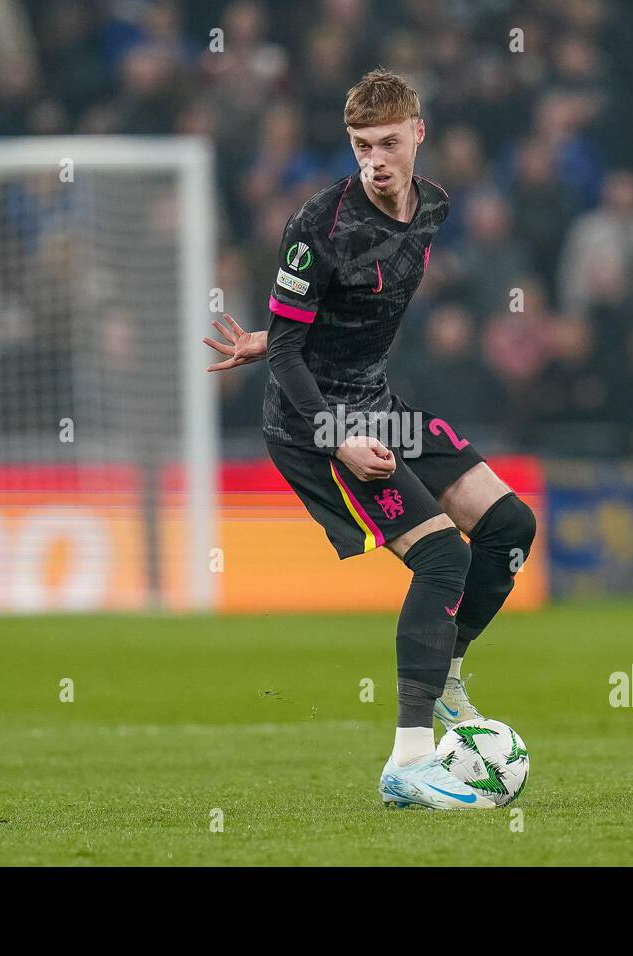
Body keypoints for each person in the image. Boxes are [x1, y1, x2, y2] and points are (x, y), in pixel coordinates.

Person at [203, 70, 536, 807]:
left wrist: (281, 336)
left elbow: (316, 326)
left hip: (379, 402)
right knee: (445, 557)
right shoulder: (319, 226)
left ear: (419, 132)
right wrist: (336, 437)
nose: (375, 160)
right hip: (313, 424)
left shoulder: (435, 207)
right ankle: (408, 761)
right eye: (361, 145)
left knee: (511, 523)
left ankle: (446, 678)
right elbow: (291, 359)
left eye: (388, 142)